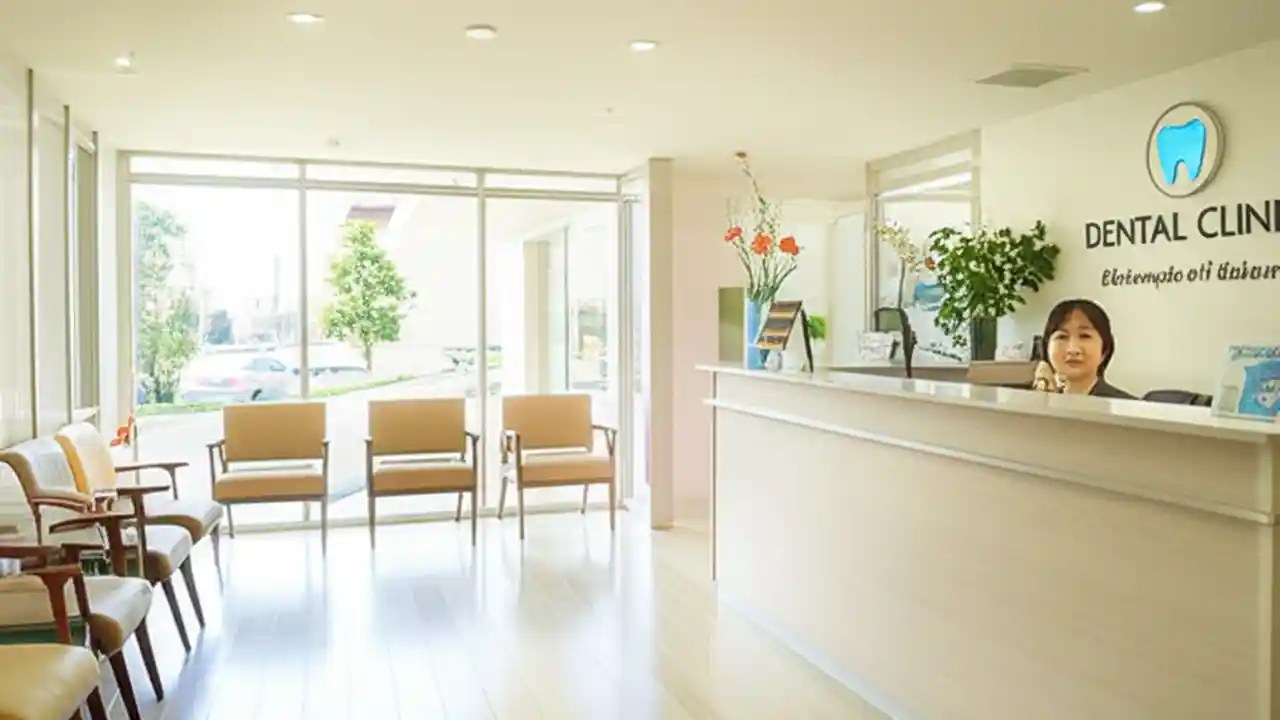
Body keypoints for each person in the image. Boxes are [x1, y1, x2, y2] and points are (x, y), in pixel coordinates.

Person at [1037, 298, 1136, 399]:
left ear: (1105, 350)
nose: (1073, 350)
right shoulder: (1032, 400)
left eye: (1085, 336)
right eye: (1062, 337)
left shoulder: (1129, 405)